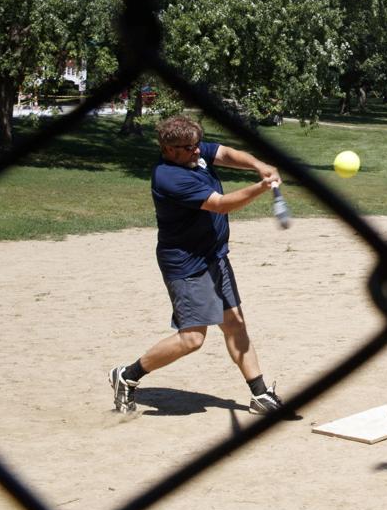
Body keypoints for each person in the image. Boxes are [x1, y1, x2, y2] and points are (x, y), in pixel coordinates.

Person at [109, 114, 287, 414]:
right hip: (186, 263)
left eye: (198, 145)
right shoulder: (170, 176)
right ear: (169, 149)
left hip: (214, 254)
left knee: (234, 323)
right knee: (192, 339)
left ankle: (260, 394)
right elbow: (221, 204)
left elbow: (225, 153)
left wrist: (257, 164)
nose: (198, 151)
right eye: (190, 148)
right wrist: (260, 186)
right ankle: (127, 375)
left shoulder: (192, 152)